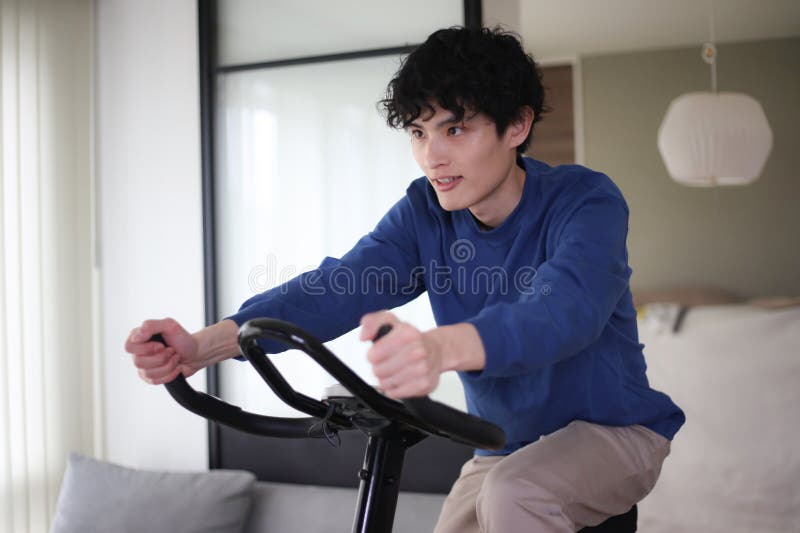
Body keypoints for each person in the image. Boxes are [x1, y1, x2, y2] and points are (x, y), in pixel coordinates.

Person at [125, 26, 684, 532]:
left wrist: (441, 348)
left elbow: (564, 308)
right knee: (492, 498)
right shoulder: (426, 213)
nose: (431, 157)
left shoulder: (584, 201)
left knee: (515, 496)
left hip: (615, 433)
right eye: (419, 133)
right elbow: (340, 286)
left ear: (517, 125)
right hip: (502, 448)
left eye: (455, 129)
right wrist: (203, 345)